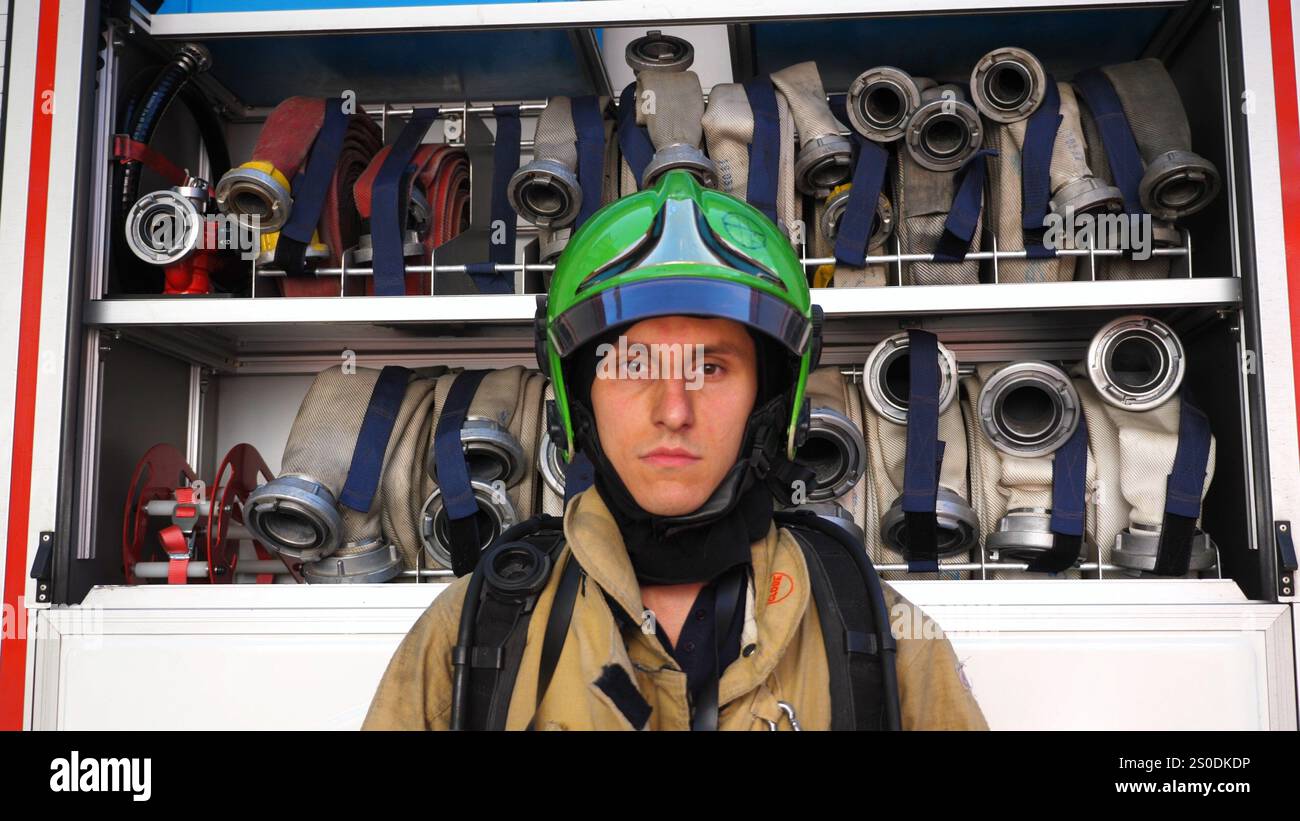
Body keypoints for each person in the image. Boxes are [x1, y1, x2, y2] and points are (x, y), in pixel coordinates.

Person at [363, 170, 988, 730]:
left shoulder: (880, 632)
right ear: (577, 394)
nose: (673, 411)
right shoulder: (470, 633)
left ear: (772, 399)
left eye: (712, 369)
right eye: (634, 365)